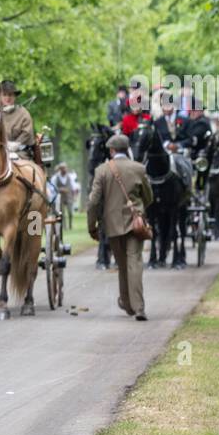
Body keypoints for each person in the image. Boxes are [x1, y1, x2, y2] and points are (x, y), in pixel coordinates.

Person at [88, 133, 152, 321]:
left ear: (112, 150)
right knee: (135, 263)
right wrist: (139, 208)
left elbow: (93, 202)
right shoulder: (139, 168)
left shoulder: (102, 170)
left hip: (113, 225)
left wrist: (92, 226)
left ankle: (127, 303)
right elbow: (149, 197)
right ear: (127, 149)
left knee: (123, 265)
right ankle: (138, 307)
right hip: (136, 223)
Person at [0, 80, 37, 160]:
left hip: (21, 152)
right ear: (0, 97)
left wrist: (16, 144)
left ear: (15, 96)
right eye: (4, 95)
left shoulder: (23, 113)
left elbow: (27, 132)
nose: (7, 98)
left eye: (10, 95)